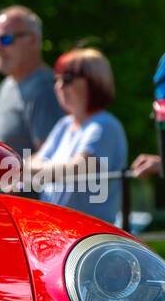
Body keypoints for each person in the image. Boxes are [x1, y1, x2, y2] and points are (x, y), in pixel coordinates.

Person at [21, 48, 127, 225]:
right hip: (58, 230)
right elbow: (31, 162)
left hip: (90, 234)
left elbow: (79, 168)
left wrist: (36, 170)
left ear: (94, 81)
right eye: (57, 80)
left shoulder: (104, 125)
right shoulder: (64, 125)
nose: (59, 86)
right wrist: (35, 168)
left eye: (67, 79)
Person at [0, 5, 64, 156]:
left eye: (5, 39)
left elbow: (52, 160)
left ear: (33, 40)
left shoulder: (46, 89)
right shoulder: (6, 86)